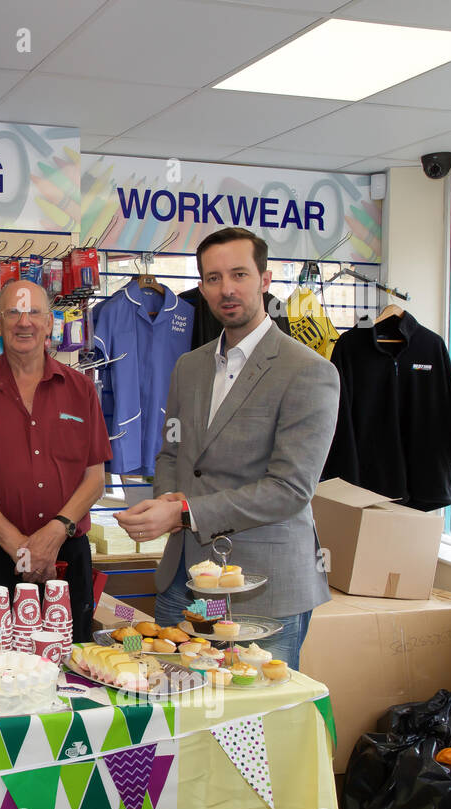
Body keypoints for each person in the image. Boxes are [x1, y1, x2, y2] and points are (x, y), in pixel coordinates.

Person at [115, 227, 340, 669]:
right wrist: (166, 500)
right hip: (185, 583)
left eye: (239, 274)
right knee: (178, 704)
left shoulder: (308, 371)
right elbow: (172, 453)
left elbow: (290, 489)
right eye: (213, 278)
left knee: (256, 717)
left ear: (265, 279)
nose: (227, 289)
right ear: (201, 287)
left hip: (262, 590)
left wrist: (184, 514)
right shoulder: (189, 366)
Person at [0, 279, 111, 643]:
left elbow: (95, 479)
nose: (24, 322)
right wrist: (20, 546)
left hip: (66, 556)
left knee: (71, 666)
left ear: (50, 322)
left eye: (34, 312)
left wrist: (53, 534)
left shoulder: (80, 389)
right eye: (13, 313)